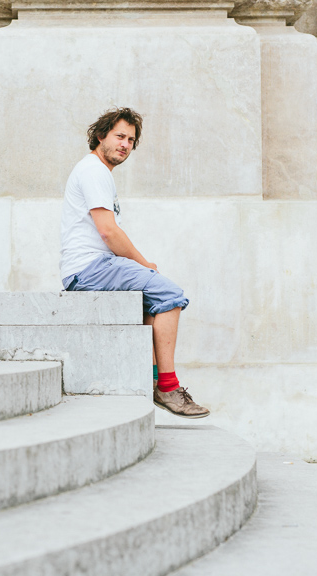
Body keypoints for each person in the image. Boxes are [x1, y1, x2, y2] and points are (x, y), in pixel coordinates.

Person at [59, 107, 210, 418]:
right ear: (100, 135)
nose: (125, 144)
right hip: (90, 268)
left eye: (131, 139)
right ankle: (167, 387)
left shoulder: (97, 172)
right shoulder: (94, 171)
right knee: (168, 294)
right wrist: (144, 264)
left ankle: (151, 381)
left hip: (90, 268)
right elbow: (108, 231)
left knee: (151, 303)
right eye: (119, 136)